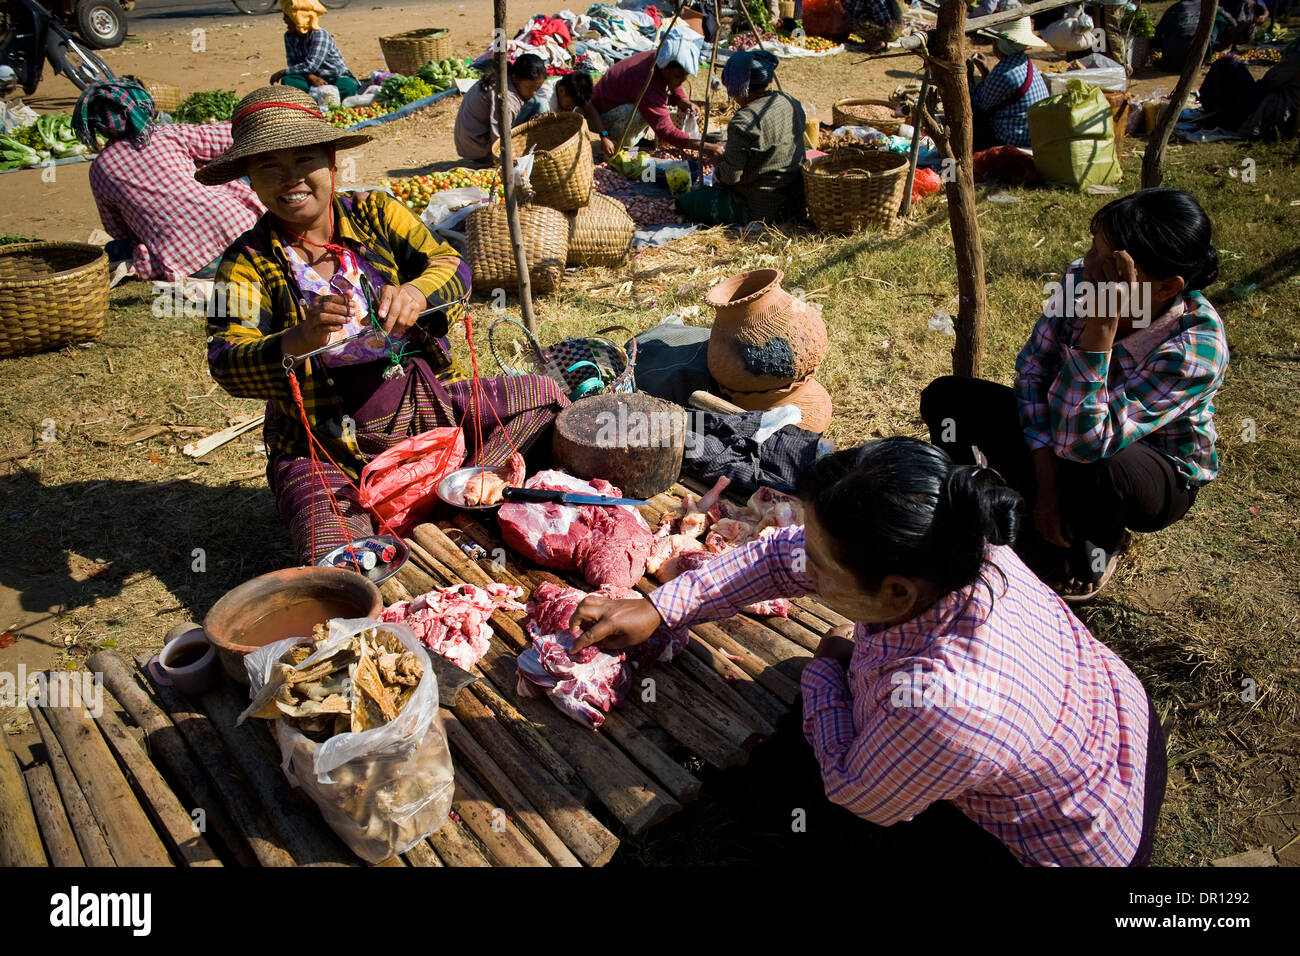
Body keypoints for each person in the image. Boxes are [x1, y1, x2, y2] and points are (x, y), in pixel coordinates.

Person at [568, 437, 1167, 866]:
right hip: (1123, 727)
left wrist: (829, 673)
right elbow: (782, 556)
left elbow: (858, 791)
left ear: (897, 591)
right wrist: (662, 606)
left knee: (817, 804)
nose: (806, 566)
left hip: (1081, 839)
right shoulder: (960, 543)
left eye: (825, 567)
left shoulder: (943, 706)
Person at [198, 87, 568, 564]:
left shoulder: (375, 212)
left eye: (304, 159)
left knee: (541, 396)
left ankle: (470, 482)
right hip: (326, 448)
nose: (290, 179)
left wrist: (417, 293)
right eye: (269, 166)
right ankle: (385, 512)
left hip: (425, 407)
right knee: (340, 560)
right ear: (249, 178)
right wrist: (297, 339)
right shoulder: (247, 262)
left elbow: (452, 267)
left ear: (331, 161)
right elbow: (227, 360)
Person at [920, 188, 1227, 601]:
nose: (1089, 265)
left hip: (1142, 468)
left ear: (1168, 287)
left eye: (1111, 265)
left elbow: (1086, 444)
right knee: (948, 398)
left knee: (1101, 473)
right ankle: (977, 499)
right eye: (1094, 250)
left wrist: (1100, 330)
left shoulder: (1196, 349)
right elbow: (1032, 373)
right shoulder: (1083, 279)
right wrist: (1046, 486)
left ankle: (1101, 539)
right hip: (1064, 436)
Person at [73, 79, 264, 282]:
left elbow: (117, 230)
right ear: (143, 107)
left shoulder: (98, 169)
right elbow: (231, 138)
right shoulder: (166, 134)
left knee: (114, 248)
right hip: (245, 233)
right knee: (229, 173)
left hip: (192, 262)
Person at [675, 50, 806, 226]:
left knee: (687, 201)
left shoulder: (744, 120)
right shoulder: (790, 102)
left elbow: (731, 177)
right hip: (796, 203)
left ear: (740, 88)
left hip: (762, 210)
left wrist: (719, 165)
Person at [589, 26, 710, 156]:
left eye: (684, 76)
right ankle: (615, 145)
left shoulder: (658, 60)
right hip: (600, 115)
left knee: (651, 108)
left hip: (615, 104)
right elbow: (665, 130)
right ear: (665, 68)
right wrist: (705, 147)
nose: (680, 80)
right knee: (640, 114)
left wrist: (683, 100)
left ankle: (631, 141)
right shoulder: (647, 81)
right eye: (677, 76)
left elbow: (675, 84)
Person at [969, 19, 1049, 150]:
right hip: (1032, 135)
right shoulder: (1026, 62)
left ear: (1002, 44)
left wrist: (968, 78)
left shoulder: (1003, 72)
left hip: (1013, 139)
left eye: (995, 41)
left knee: (973, 114)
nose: (993, 46)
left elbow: (978, 102)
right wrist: (985, 71)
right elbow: (997, 94)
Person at [453, 53, 548, 164]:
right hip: (479, 150)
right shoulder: (506, 100)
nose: (533, 92)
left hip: (468, 142)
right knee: (537, 104)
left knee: (537, 102)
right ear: (515, 78)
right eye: (530, 88)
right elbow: (499, 139)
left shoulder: (503, 76)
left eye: (537, 88)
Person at [270, 0, 359, 99]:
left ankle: (314, 100)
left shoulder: (319, 35)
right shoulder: (289, 36)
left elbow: (311, 65)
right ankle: (311, 101)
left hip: (334, 77)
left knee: (347, 86)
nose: (284, 20)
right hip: (308, 78)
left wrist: (282, 72)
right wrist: (311, 77)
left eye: (287, 16)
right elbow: (294, 64)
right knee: (288, 81)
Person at [551, 71, 617, 157]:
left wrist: (604, 136)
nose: (571, 108)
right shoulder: (547, 102)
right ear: (561, 91)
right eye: (570, 105)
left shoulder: (573, 89)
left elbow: (589, 108)